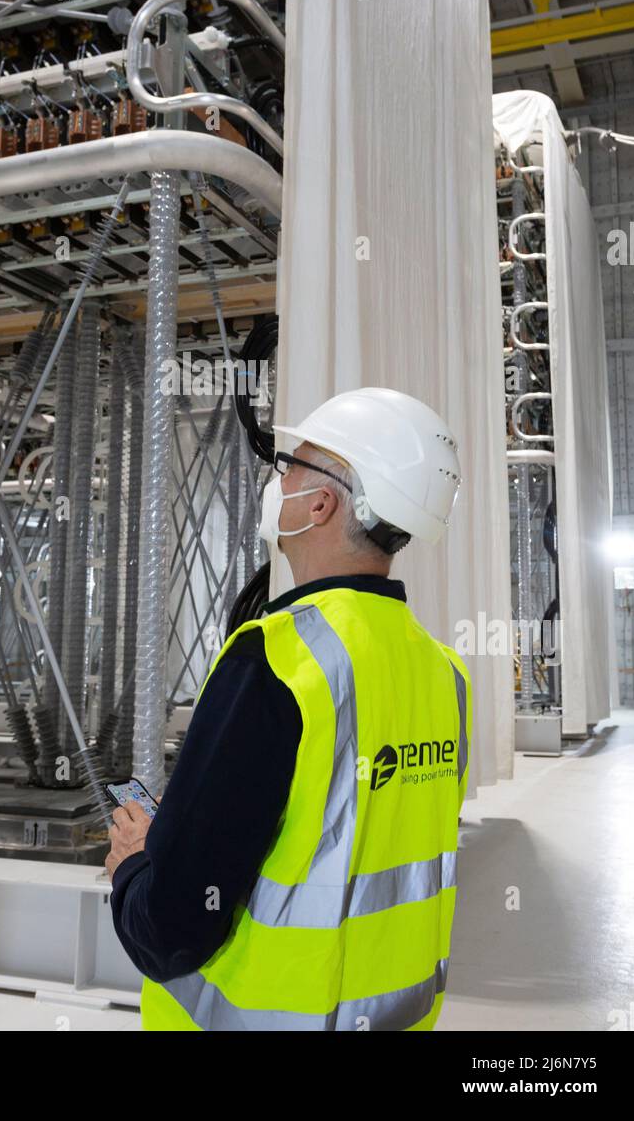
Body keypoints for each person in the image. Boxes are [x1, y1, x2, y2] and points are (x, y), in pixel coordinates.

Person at [107, 387, 471, 1032]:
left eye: (293, 466)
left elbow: (172, 928)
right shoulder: (445, 673)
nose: (279, 482)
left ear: (322, 502)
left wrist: (136, 864)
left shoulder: (275, 661)